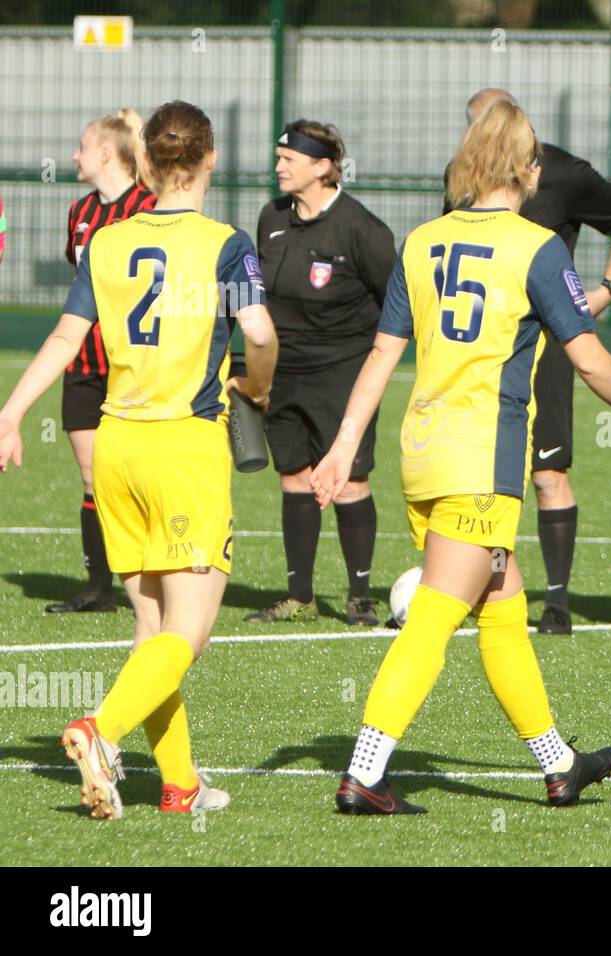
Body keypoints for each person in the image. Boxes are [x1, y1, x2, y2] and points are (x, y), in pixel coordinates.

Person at [311, 99, 611, 814]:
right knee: (436, 617)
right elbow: (586, 354)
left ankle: (559, 764)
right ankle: (364, 772)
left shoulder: (423, 239)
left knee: (502, 605)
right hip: (482, 465)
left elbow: (381, 354)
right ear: (529, 170)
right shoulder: (536, 246)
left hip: (423, 456)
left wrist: (344, 445)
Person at [0, 100, 278, 818]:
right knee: (188, 636)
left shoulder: (107, 242)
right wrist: (258, 384)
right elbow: (258, 328)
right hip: (183, 448)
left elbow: (65, 340)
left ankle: (180, 786)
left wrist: (10, 411)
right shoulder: (227, 243)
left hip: (116, 445)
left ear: (148, 164)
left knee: (154, 633)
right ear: (211, 159)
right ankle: (100, 730)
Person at [445, 89, 611, 635]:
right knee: (476, 473)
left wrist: (606, 289)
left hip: (544, 344)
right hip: (481, 351)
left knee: (547, 472)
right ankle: (486, 586)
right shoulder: (461, 179)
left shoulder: (564, 173)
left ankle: (556, 603)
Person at [244, 120, 396, 627]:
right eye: (279, 156)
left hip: (342, 375)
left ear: (325, 166)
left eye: (289, 158)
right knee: (294, 479)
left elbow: (394, 304)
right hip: (283, 372)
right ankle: (299, 594)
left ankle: (359, 596)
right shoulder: (271, 217)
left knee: (349, 480)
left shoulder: (363, 229)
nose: (279, 166)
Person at [49, 109, 157, 614]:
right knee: (93, 479)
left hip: (131, 367)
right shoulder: (79, 212)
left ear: (108, 154)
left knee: (137, 477)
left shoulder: (149, 208)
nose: (74, 155)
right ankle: (100, 587)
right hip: (83, 366)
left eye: (82, 146)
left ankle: (156, 577)